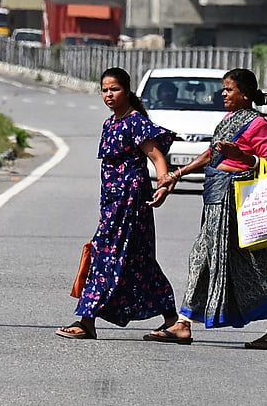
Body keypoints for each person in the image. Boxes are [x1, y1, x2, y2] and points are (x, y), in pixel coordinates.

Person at [142, 67, 267, 350]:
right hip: (215, 200)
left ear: (245, 94)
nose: (223, 94)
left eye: (229, 90)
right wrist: (179, 172)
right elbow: (212, 153)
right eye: (223, 89)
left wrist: (243, 155)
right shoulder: (228, 120)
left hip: (237, 205)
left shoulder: (257, 124)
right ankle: (183, 323)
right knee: (202, 257)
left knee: (252, 265)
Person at [56, 67, 180, 340]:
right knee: (140, 262)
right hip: (112, 201)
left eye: (115, 89)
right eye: (105, 90)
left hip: (130, 199)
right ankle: (174, 320)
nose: (109, 95)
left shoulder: (135, 122)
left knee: (104, 254)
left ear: (127, 90)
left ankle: (86, 320)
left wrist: (163, 183)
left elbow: (156, 156)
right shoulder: (110, 123)